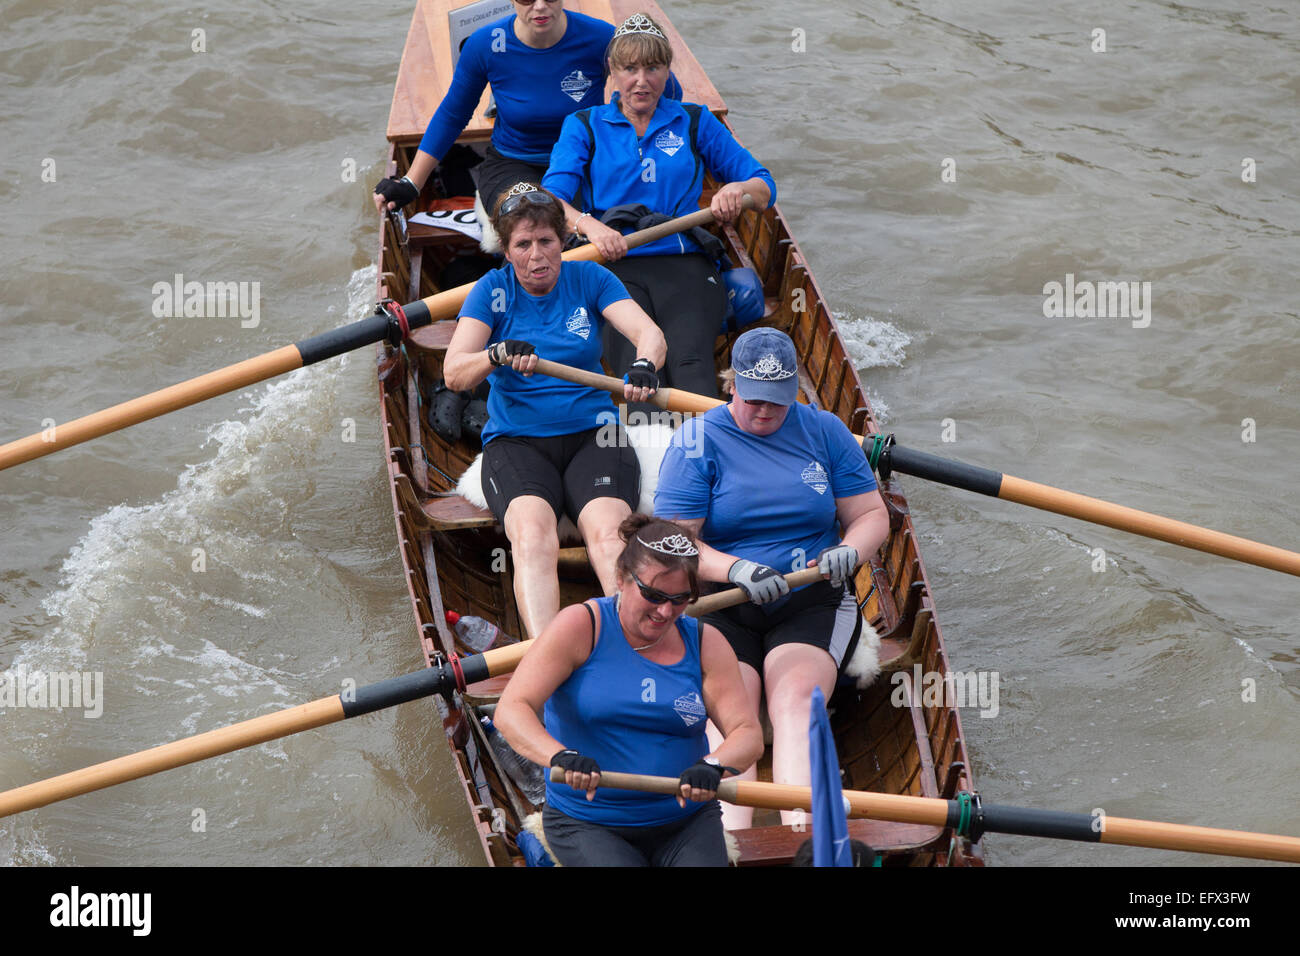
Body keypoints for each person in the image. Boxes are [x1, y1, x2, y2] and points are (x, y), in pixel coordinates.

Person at [653, 327, 890, 829]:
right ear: (730, 385)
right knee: (732, 728)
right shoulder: (696, 441)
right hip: (721, 604)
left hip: (811, 600)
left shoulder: (825, 431)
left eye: (778, 402)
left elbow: (872, 515)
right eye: (755, 399)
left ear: (795, 391)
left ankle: (803, 846)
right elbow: (678, 544)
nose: (765, 411)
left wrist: (850, 551)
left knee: (797, 712)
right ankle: (731, 850)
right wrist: (735, 567)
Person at [443, 183, 665, 639]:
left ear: (564, 241)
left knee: (608, 537)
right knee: (531, 539)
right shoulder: (491, 292)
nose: (537, 255)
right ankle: (546, 656)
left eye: (546, 241)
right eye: (523, 244)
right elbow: (454, 374)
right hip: (518, 442)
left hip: (594, 435)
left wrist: (644, 364)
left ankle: (631, 647)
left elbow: (650, 335)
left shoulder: (591, 279)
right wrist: (496, 354)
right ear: (506, 251)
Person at [495, 514, 763, 866]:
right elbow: (512, 709)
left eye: (680, 599)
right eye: (653, 595)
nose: (665, 612)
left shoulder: (705, 641)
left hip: (686, 820)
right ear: (620, 578)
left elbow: (747, 734)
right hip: (588, 822)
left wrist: (714, 764)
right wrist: (560, 756)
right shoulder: (580, 626)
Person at [541, 13, 776, 402]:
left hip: (684, 262)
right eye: (630, 68)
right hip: (611, 265)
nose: (642, 80)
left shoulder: (695, 121)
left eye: (653, 67)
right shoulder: (583, 124)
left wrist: (737, 188)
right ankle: (656, 459)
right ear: (612, 72)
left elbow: (765, 187)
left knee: (692, 372)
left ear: (667, 71)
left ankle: (705, 458)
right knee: (641, 382)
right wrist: (589, 225)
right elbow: (550, 202)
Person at [372, 1, 682, 221]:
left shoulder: (601, 39)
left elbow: (667, 91)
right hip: (513, 162)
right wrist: (411, 183)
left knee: (597, 222)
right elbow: (453, 114)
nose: (540, 6)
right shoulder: (485, 45)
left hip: (585, 161)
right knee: (532, 219)